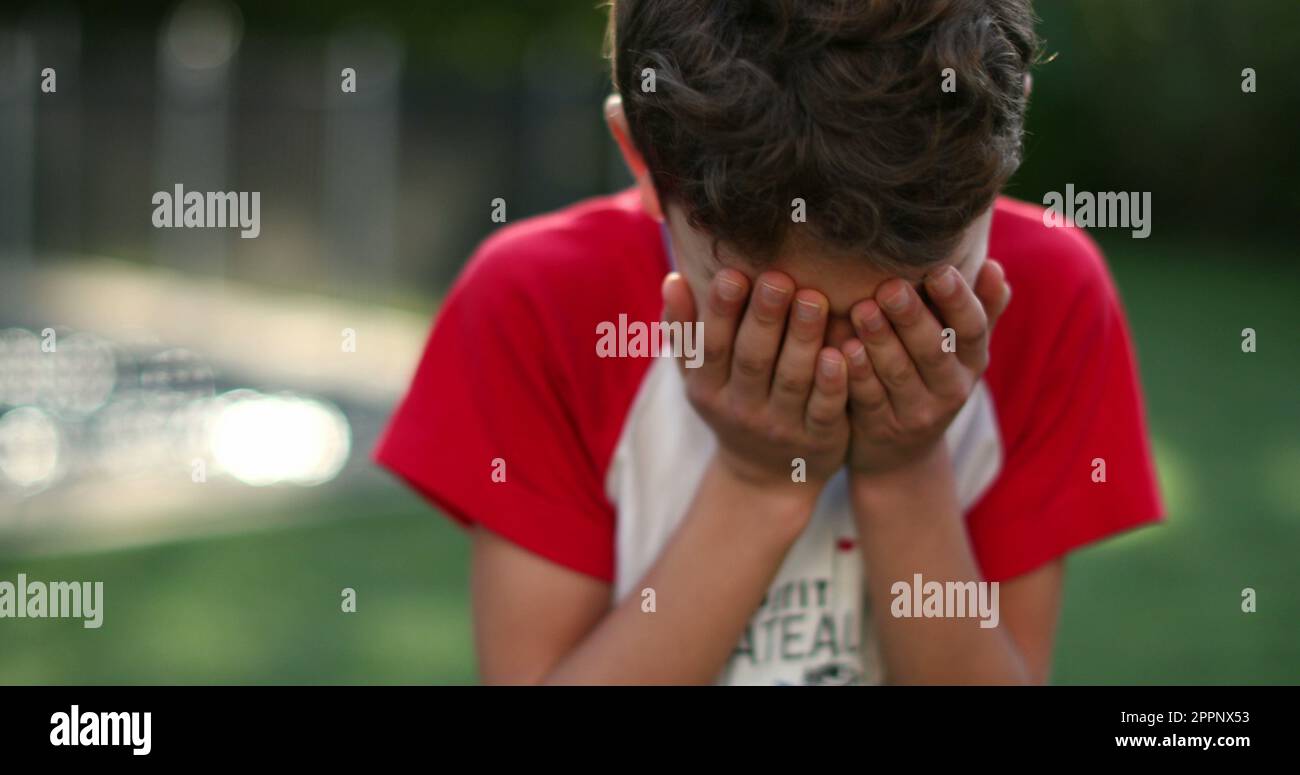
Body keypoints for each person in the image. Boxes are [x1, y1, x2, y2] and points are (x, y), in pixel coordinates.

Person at [375, 0, 1162, 685]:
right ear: (646, 161)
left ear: (1001, 147)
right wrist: (756, 484)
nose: (841, 359)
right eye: (775, 308)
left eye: (916, 300)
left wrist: (906, 471)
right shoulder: (536, 308)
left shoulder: (1052, 299)